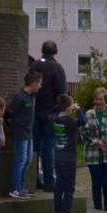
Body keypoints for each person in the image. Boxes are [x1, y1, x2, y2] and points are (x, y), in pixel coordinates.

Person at [33, 40, 67, 192]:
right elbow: (62, 92)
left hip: (34, 111)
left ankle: (32, 178)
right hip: (50, 112)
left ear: (42, 50)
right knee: (48, 147)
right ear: (55, 51)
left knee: (35, 147)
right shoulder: (57, 68)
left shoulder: (34, 65)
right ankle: (48, 181)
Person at [50, 94, 86, 213]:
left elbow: (53, 111)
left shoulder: (54, 118)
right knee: (69, 188)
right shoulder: (69, 121)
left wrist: (61, 106)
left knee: (59, 187)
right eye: (71, 105)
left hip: (58, 157)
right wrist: (79, 109)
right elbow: (83, 121)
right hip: (69, 158)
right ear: (67, 107)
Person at [83, 87, 107, 212]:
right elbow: (84, 133)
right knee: (96, 183)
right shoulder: (88, 114)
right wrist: (97, 142)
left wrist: (106, 143)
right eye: (97, 99)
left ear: (105, 100)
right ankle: (98, 210)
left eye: (101, 99)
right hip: (93, 155)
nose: (98, 102)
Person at [8, 70, 41, 199]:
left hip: (29, 133)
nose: (40, 86)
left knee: (28, 160)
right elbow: (9, 113)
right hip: (20, 133)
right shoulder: (20, 97)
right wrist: (13, 126)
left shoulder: (32, 96)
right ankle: (15, 188)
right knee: (20, 160)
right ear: (33, 83)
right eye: (39, 83)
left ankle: (22, 187)